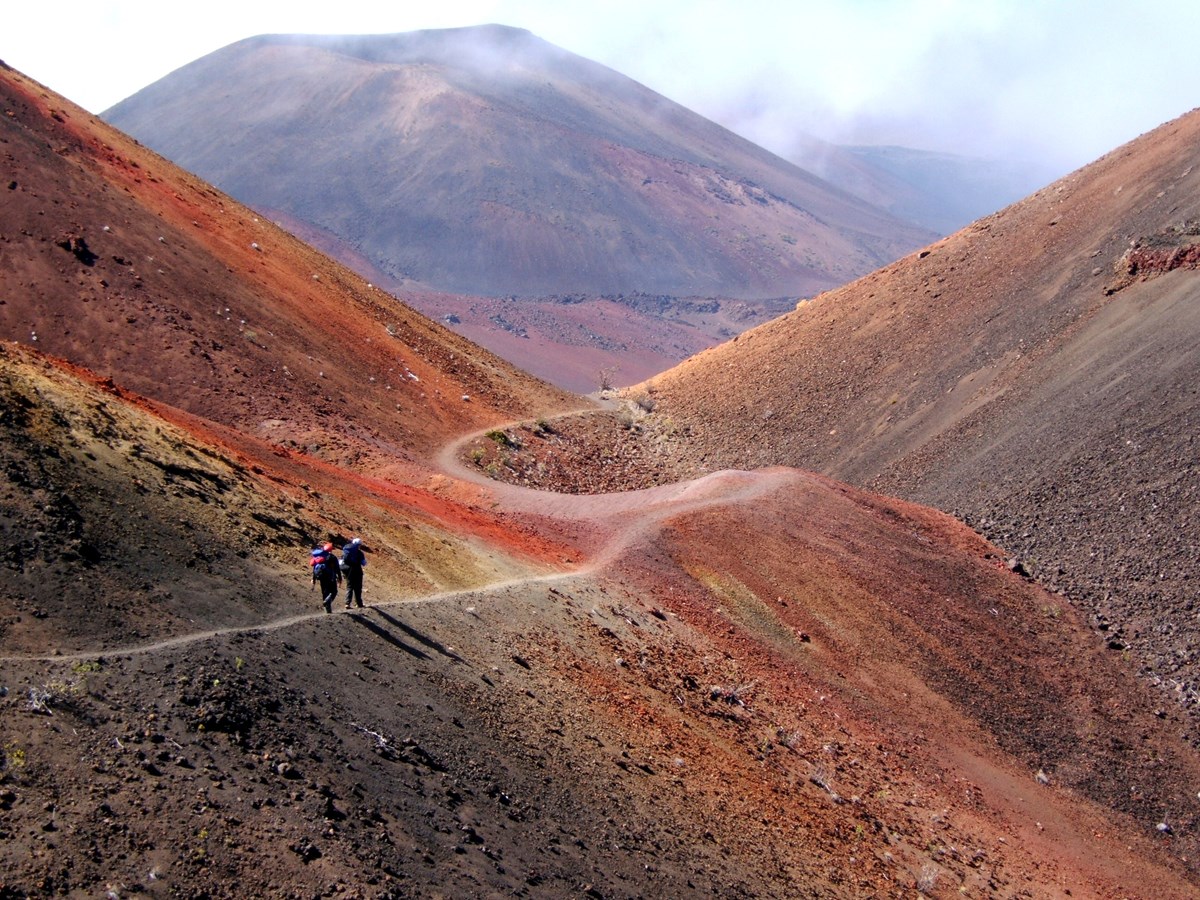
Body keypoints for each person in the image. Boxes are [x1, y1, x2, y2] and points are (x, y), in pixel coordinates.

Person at [311, 542, 341, 614]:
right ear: (331, 549)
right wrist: (340, 578)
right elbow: (337, 569)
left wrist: (313, 579)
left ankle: (327, 610)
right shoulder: (332, 557)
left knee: (324, 592)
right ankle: (328, 601)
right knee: (334, 591)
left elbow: (314, 568)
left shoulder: (318, 557)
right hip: (330, 576)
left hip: (320, 576)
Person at [342, 537, 367, 609]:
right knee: (358, 588)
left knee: (349, 586)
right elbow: (364, 563)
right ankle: (359, 603)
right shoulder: (359, 553)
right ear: (359, 545)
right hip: (357, 570)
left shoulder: (346, 550)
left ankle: (347, 603)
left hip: (348, 570)